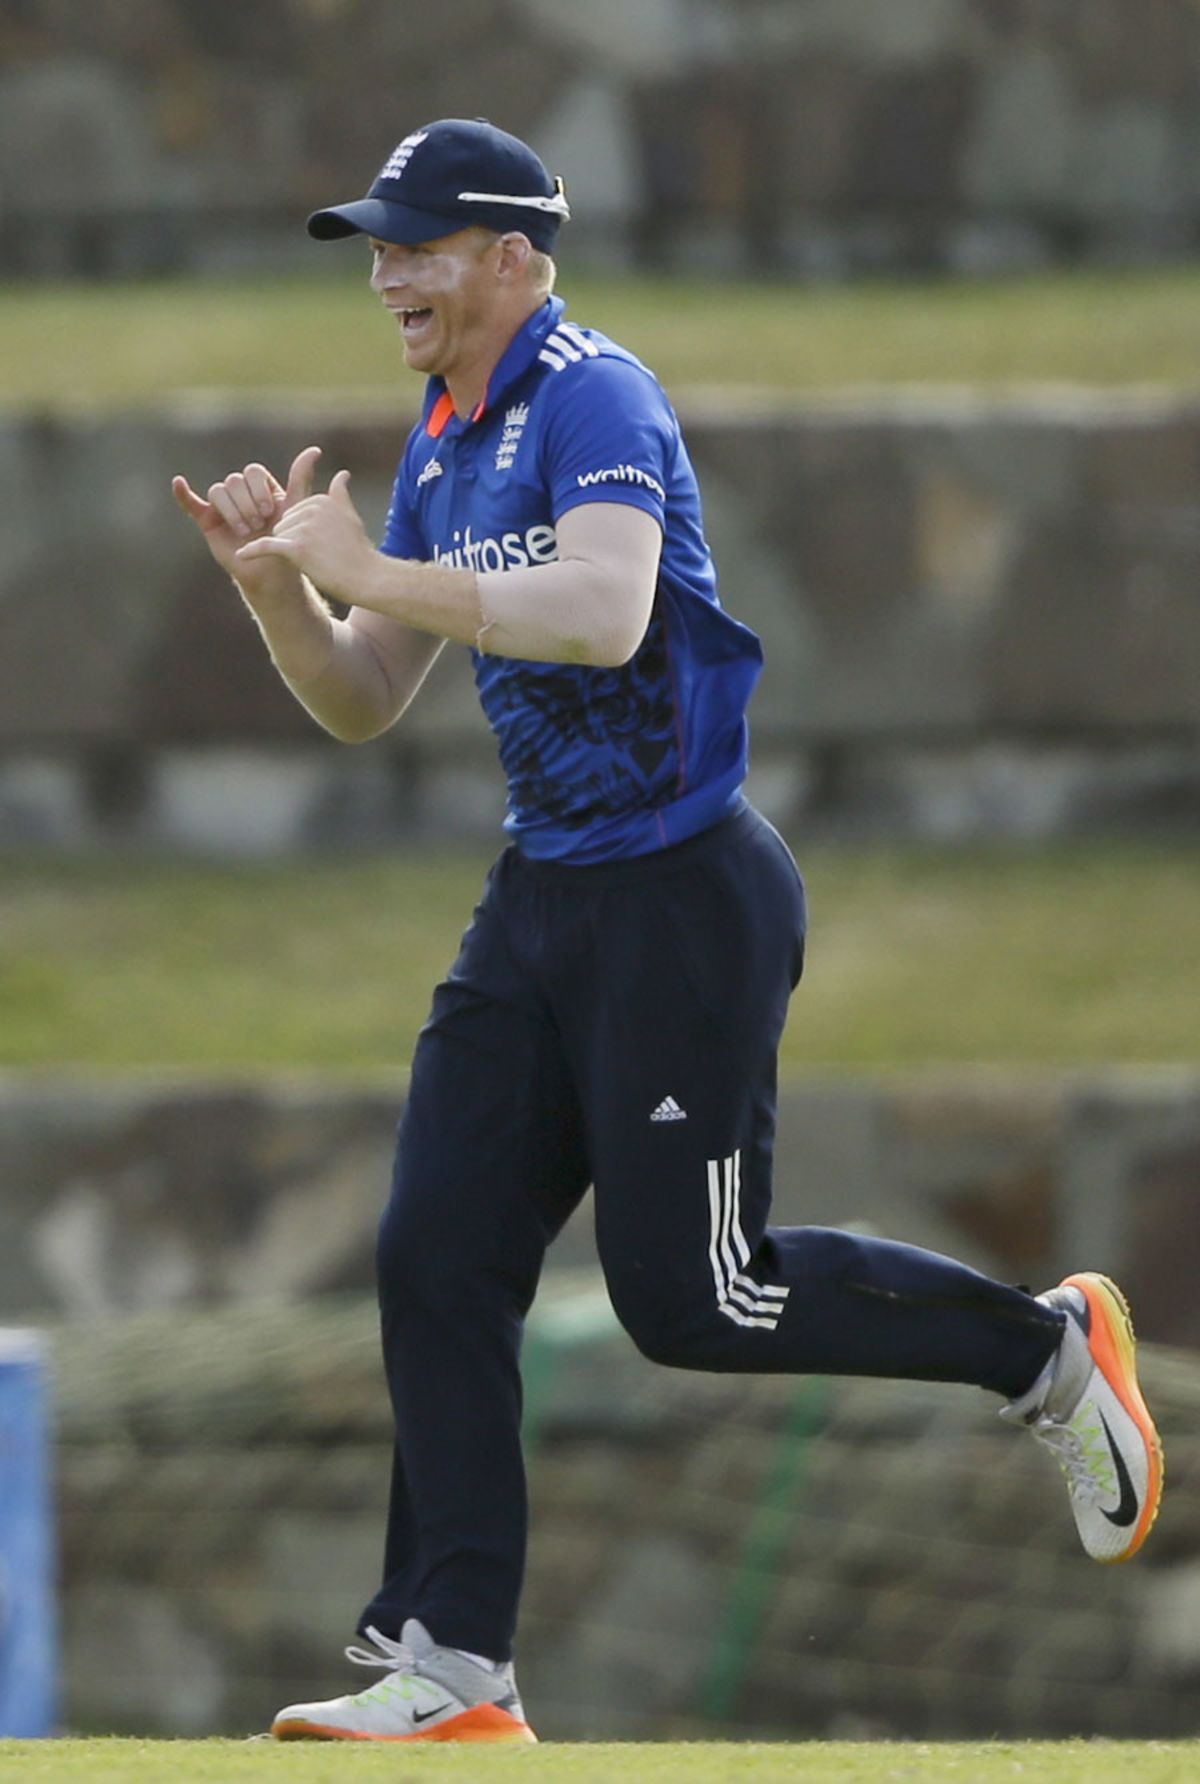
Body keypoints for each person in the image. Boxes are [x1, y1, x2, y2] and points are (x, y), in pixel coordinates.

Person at [173, 118, 1164, 1746]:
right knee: (436, 1252)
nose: (387, 274)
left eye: (418, 245)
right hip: (541, 900)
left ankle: (1049, 1352)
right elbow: (361, 698)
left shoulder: (594, 393)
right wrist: (286, 588)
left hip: (684, 900)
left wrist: (380, 567)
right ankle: (455, 1667)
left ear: (514, 256)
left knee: (702, 1300)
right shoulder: (444, 429)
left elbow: (604, 610)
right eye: (379, 245)